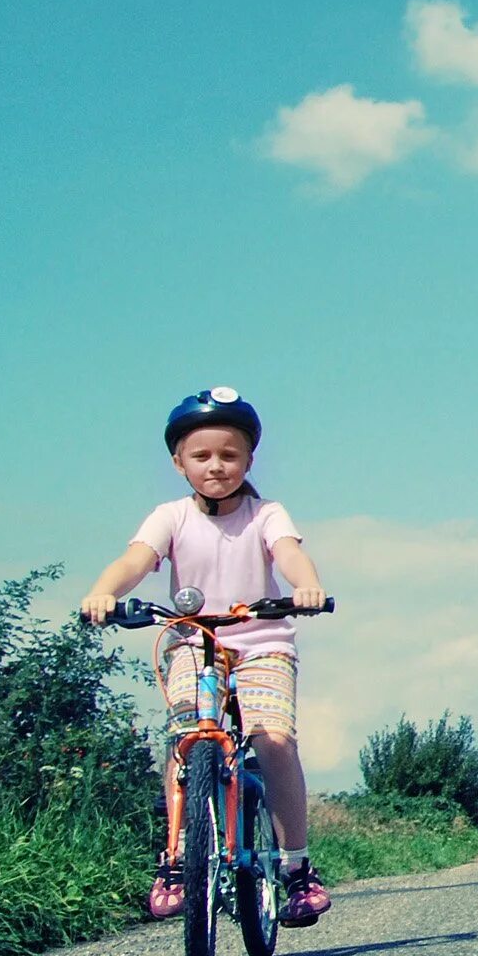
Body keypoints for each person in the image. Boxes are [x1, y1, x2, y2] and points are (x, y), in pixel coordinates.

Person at [81, 389, 335, 925]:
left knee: (274, 738)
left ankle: (296, 868)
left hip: (262, 643)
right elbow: (135, 560)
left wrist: (307, 586)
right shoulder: (169, 517)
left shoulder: (266, 513)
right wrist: (103, 592)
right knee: (187, 739)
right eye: (201, 456)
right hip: (193, 644)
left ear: (248, 460)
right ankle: (175, 860)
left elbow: (290, 554)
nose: (215, 466)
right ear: (179, 463)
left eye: (229, 455)